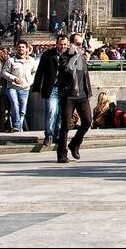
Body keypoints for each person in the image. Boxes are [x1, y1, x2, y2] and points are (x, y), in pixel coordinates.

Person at [52, 33, 93, 163]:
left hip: (82, 95)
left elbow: (85, 76)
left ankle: (74, 144)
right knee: (65, 125)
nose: (81, 46)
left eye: (82, 44)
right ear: (71, 44)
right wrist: (74, 56)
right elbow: (66, 70)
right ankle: (61, 153)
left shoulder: (82, 56)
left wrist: (88, 93)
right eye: (78, 44)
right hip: (68, 95)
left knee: (87, 121)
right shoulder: (64, 57)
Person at [32, 34, 68, 150]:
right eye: (61, 44)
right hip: (51, 88)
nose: (63, 47)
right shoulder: (48, 54)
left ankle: (57, 134)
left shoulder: (70, 55)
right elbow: (40, 72)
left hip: (64, 89)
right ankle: (48, 134)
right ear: (56, 44)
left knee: (60, 114)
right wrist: (36, 88)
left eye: (65, 45)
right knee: (52, 111)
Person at [1, 40, 35, 132]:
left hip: (25, 88)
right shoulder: (10, 60)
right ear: (16, 48)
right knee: (15, 104)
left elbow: (34, 72)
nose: (21, 49)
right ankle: (16, 125)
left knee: (22, 110)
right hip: (12, 87)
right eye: (19, 47)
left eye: (23, 47)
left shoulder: (31, 61)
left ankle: (18, 128)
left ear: (26, 49)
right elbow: (3, 72)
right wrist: (13, 78)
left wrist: (30, 81)